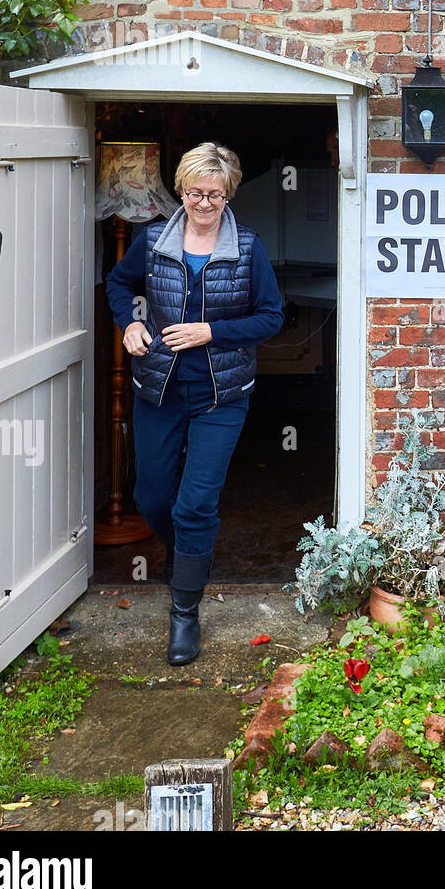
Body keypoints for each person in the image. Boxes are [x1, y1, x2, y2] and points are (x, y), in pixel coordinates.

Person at [105, 142, 283, 665]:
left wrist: (212, 331)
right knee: (154, 499)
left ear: (228, 195)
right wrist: (131, 323)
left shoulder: (247, 249)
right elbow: (119, 283)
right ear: (180, 191)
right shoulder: (152, 241)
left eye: (214, 194)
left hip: (221, 395)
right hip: (158, 388)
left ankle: (184, 612)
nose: (203, 203)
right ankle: (186, 555)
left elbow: (271, 317)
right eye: (193, 192)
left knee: (196, 504)